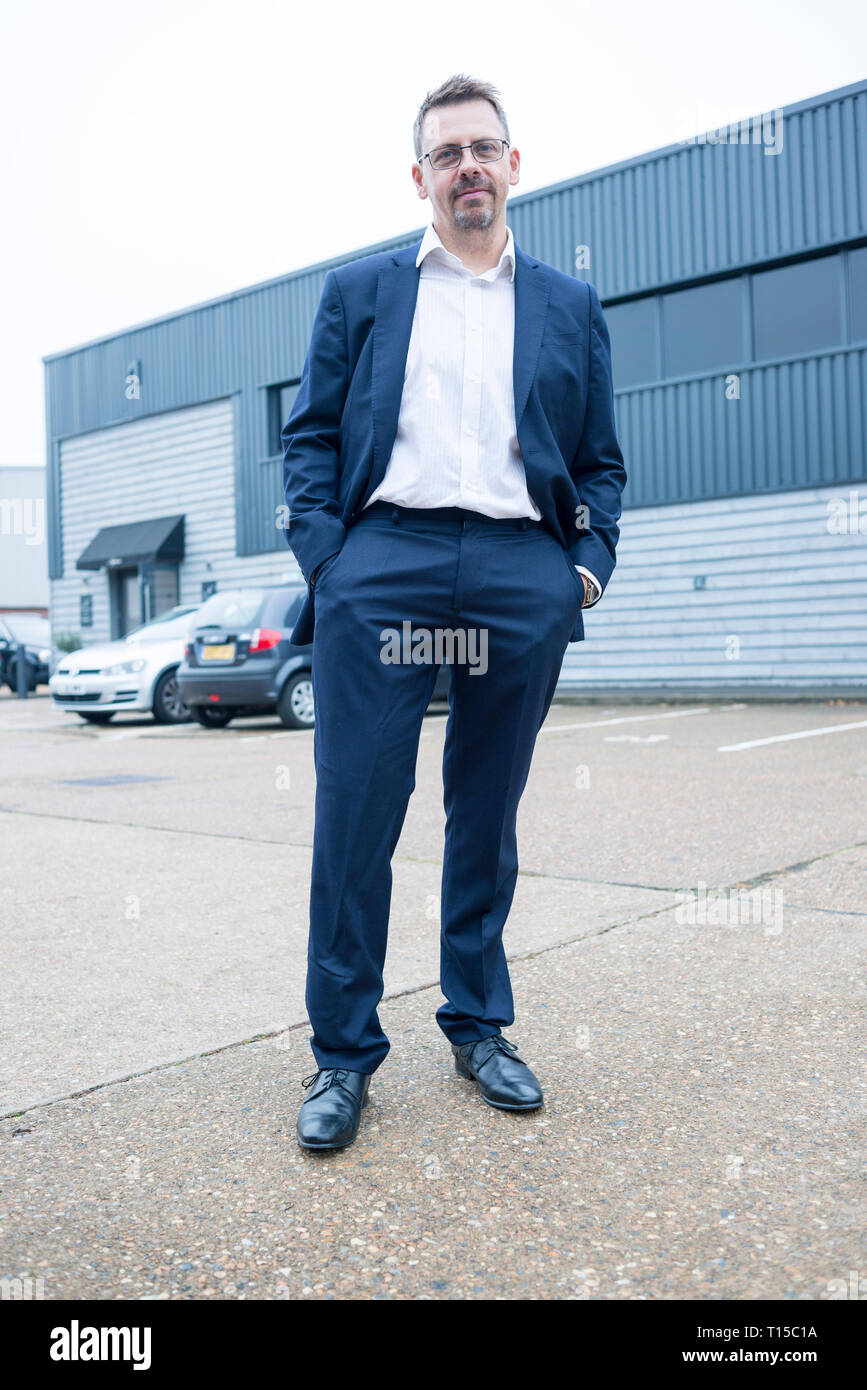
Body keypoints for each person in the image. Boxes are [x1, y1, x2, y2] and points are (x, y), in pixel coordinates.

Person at [282, 73, 627, 1151]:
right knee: (357, 811)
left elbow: (600, 458)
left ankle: (479, 1023)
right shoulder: (362, 292)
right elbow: (311, 439)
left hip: (522, 565)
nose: (468, 166)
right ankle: (343, 1053)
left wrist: (585, 566)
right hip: (386, 560)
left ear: (513, 164)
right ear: (420, 176)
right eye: (447, 153)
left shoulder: (568, 304)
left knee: (486, 811)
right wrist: (329, 563)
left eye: (485, 147)